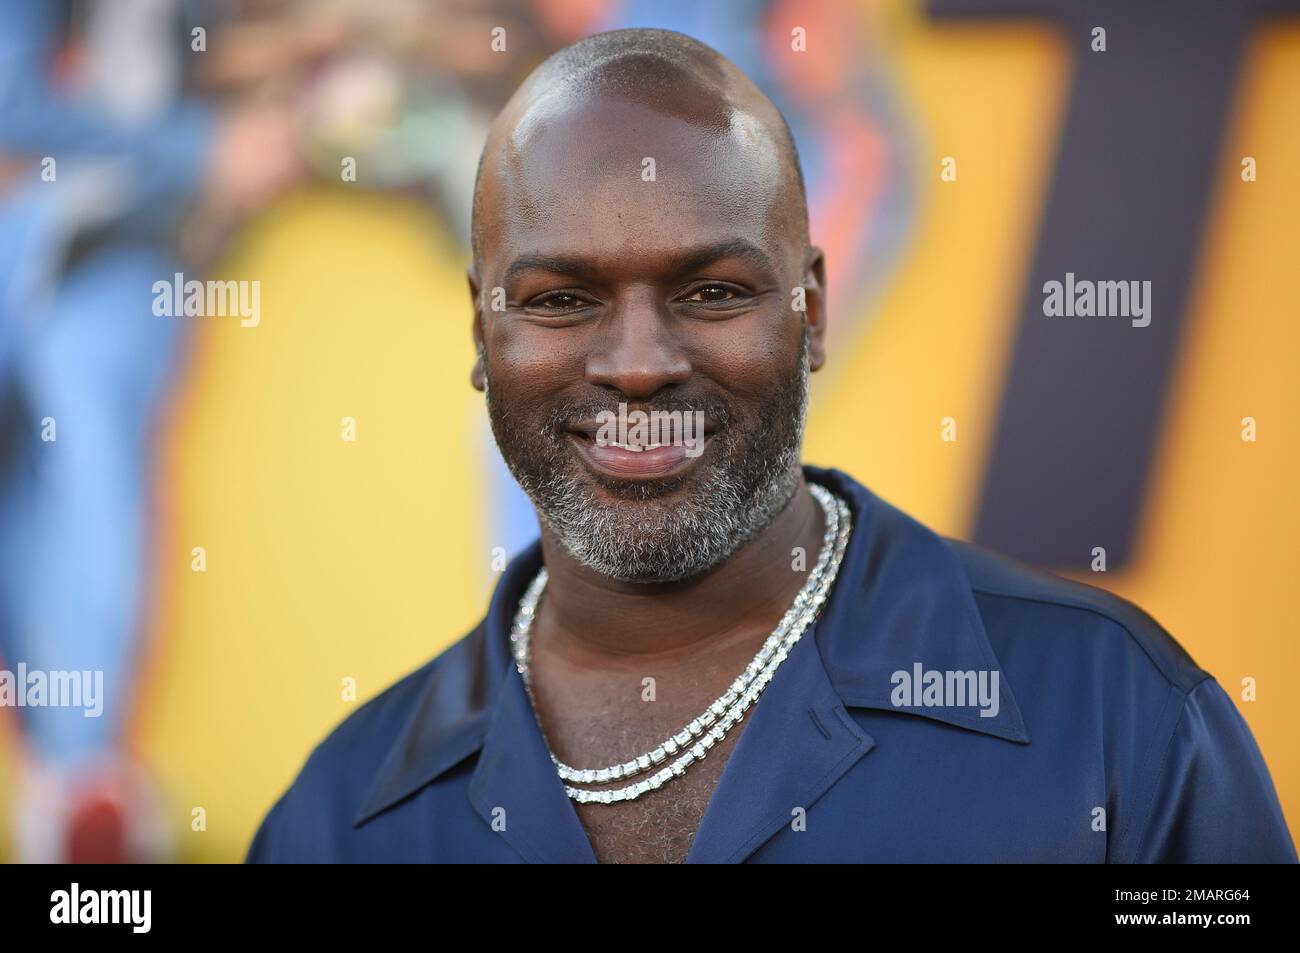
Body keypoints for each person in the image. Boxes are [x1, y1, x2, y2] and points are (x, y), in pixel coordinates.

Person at [246, 28, 1296, 864]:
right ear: (484, 334)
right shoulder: (341, 816)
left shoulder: (1114, 720)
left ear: (814, 312)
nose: (639, 360)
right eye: (563, 298)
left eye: (712, 290)